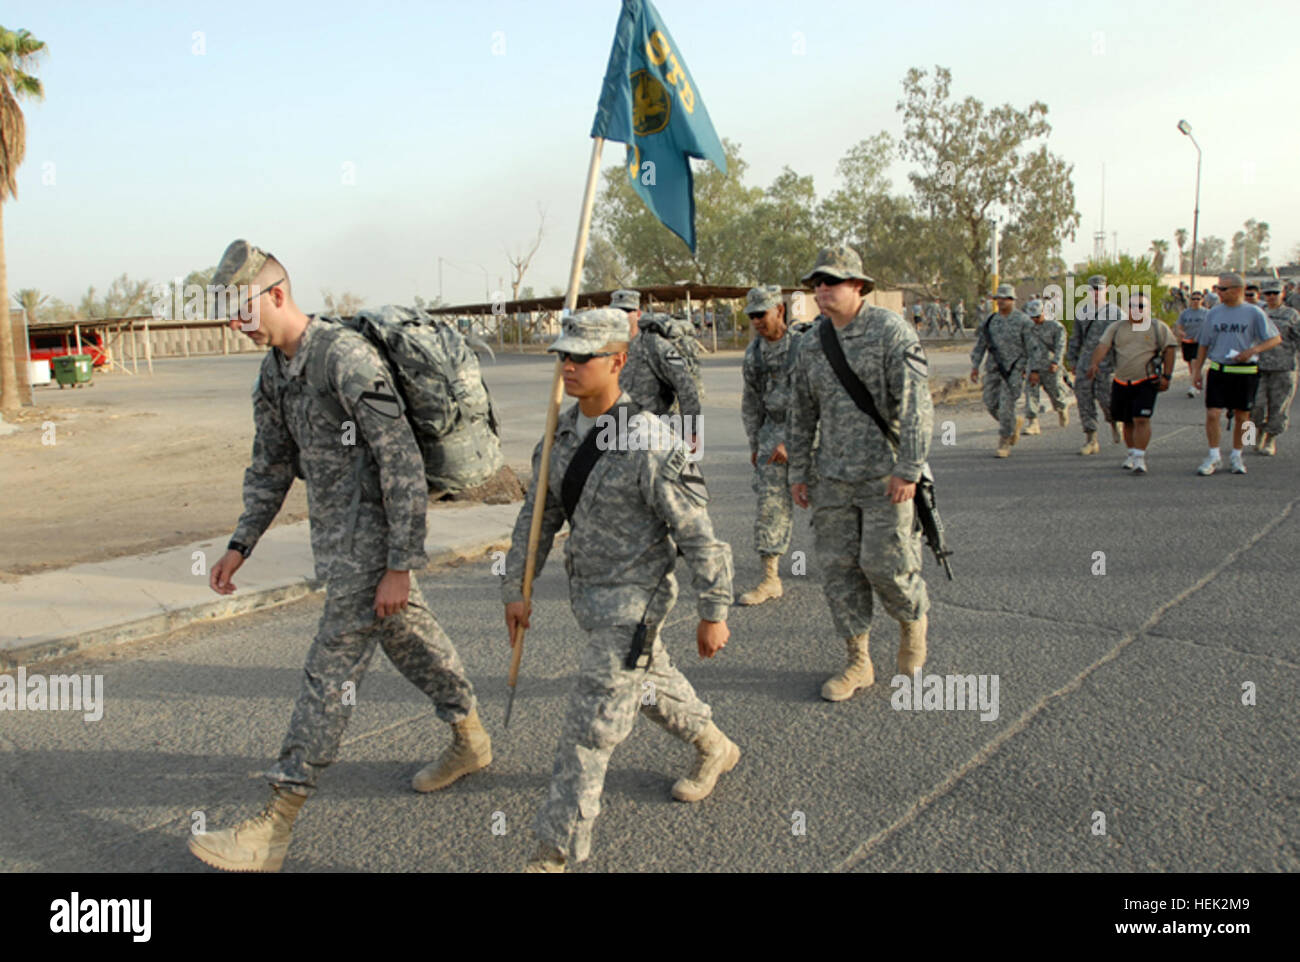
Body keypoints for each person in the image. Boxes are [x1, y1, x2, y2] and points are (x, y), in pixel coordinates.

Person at [189, 240, 488, 874]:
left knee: (328, 674)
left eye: (240, 308)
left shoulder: (345, 359)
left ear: (276, 294)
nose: (233, 322)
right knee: (413, 640)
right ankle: (469, 735)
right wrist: (241, 544)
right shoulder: (273, 374)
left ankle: (274, 823)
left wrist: (400, 562)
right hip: (339, 543)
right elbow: (270, 465)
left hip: (375, 544)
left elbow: (401, 458)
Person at [503, 308, 737, 873]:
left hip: (635, 605)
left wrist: (715, 609)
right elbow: (539, 516)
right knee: (648, 686)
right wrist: (517, 584)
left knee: (590, 728)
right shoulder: (556, 434)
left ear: (619, 361)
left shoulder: (653, 442)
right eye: (564, 355)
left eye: (583, 357)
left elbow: (698, 533)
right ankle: (713, 745)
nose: (570, 366)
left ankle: (554, 853)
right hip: (589, 596)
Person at [788, 245, 933, 702]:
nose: (822, 290)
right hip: (832, 477)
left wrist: (909, 466)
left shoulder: (891, 332)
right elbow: (800, 412)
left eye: (832, 281)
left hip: (886, 474)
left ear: (858, 286)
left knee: (885, 564)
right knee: (838, 569)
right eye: (817, 283)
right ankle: (858, 661)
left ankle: (912, 619)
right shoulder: (810, 343)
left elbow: (916, 406)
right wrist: (798, 469)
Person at [737, 284, 804, 606]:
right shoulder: (754, 354)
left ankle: (856, 569)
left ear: (779, 310)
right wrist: (755, 442)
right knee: (769, 508)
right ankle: (770, 578)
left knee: (838, 507)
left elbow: (824, 401)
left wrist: (794, 441)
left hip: (811, 433)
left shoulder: (806, 347)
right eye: (752, 316)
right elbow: (751, 402)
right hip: (770, 433)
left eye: (761, 314)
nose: (757, 322)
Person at [1191, 272, 1281, 475]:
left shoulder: (1254, 312)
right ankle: (1214, 455)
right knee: (1213, 414)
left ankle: (1237, 455)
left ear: (1238, 290)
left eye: (1223, 289)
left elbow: (1275, 339)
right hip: (1219, 370)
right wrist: (1196, 372)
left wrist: (1253, 350)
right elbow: (1203, 344)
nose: (1219, 292)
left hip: (1246, 371)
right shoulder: (1213, 312)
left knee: (1243, 416)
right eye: (1217, 288)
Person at [1087, 291, 1177, 474]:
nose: (1136, 310)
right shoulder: (1117, 327)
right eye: (1132, 306)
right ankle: (1131, 453)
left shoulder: (1156, 327)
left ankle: (1139, 457)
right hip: (1122, 381)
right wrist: (1094, 364)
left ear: (1148, 308)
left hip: (1146, 380)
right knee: (1127, 421)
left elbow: (1170, 349)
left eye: (1141, 306)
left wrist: (1167, 376)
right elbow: (1102, 346)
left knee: (1141, 419)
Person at [613, 289, 701, 436]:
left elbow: (686, 387)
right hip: (616, 430)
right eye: (617, 311)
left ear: (638, 314)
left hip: (655, 433)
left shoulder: (653, 345)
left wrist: (690, 430)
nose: (622, 316)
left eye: (628, 310)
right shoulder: (607, 349)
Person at [970, 283, 1041, 457]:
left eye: (1004, 298)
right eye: (998, 298)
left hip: (1014, 370)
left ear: (1012, 300)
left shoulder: (1023, 321)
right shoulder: (990, 321)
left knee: (1006, 405)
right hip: (993, 369)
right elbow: (981, 344)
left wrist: (1034, 370)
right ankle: (1012, 424)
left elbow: (1033, 348)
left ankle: (1004, 441)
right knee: (990, 403)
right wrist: (975, 366)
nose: (1000, 301)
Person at [1067, 274, 1126, 454]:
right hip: (1085, 363)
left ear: (1106, 291)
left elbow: (1123, 340)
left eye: (1099, 290)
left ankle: (1115, 421)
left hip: (1106, 364)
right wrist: (1073, 361)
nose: (1096, 293)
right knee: (1084, 399)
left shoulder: (1117, 313)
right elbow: (1076, 338)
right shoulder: (1082, 311)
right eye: (1092, 290)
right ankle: (1091, 439)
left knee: (1106, 399)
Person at [1250, 279, 1300, 455]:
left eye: (1275, 293)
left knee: (1278, 407)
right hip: (1257, 367)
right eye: (1268, 293)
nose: (1271, 297)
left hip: (1283, 366)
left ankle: (1270, 439)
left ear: (1283, 294)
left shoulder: (1291, 315)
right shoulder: (1257, 312)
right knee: (1255, 405)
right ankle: (1250, 438)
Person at [1021, 298, 1069, 434]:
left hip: (1050, 366)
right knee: (1031, 394)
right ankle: (1033, 422)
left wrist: (1056, 363)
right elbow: (1023, 348)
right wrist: (1023, 368)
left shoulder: (1056, 327)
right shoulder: (1027, 328)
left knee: (1056, 393)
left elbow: (1060, 347)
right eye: (1032, 317)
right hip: (1033, 365)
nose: (1034, 320)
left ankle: (1061, 408)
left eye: (1037, 316)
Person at [1174, 290, 1209, 396]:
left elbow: (1209, 328)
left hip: (1200, 343)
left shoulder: (1207, 313)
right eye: (1193, 299)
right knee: (1191, 364)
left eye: (1198, 299)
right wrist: (1181, 333)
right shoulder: (1185, 313)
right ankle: (1197, 380)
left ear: (1202, 300)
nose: (1195, 301)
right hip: (1187, 341)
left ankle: (1193, 387)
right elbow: (1179, 326)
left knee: (1195, 363)